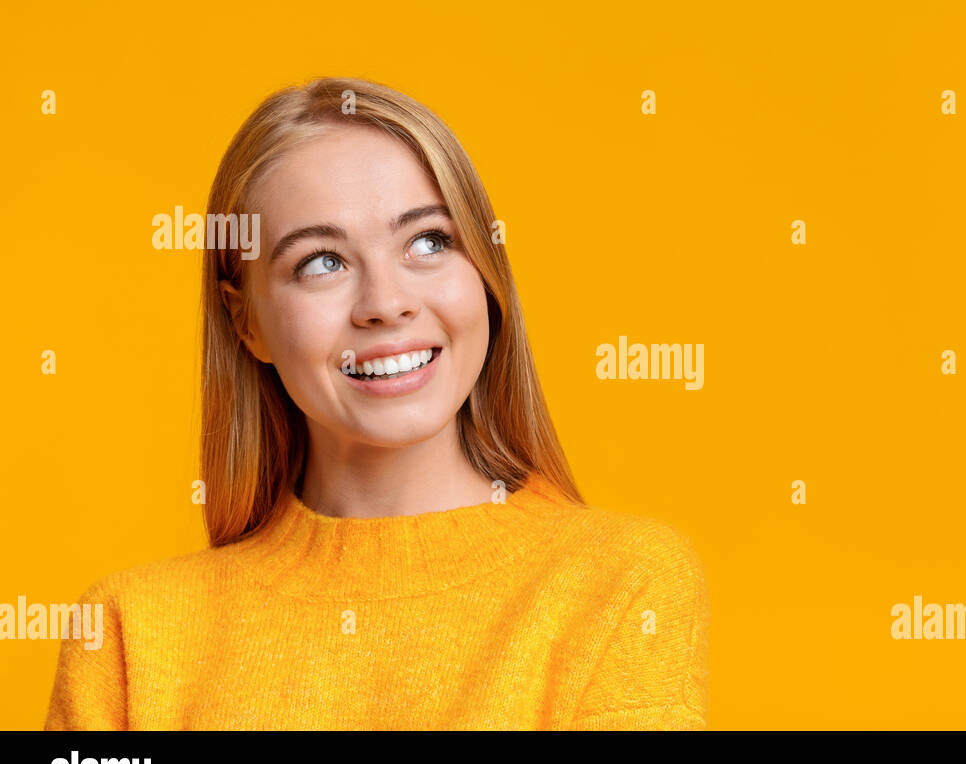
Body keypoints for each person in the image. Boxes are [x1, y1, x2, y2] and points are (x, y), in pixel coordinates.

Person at [44, 78, 709, 730]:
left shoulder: (621, 585)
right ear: (246, 321)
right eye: (321, 262)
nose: (386, 303)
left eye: (429, 242)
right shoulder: (130, 633)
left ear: (485, 268)